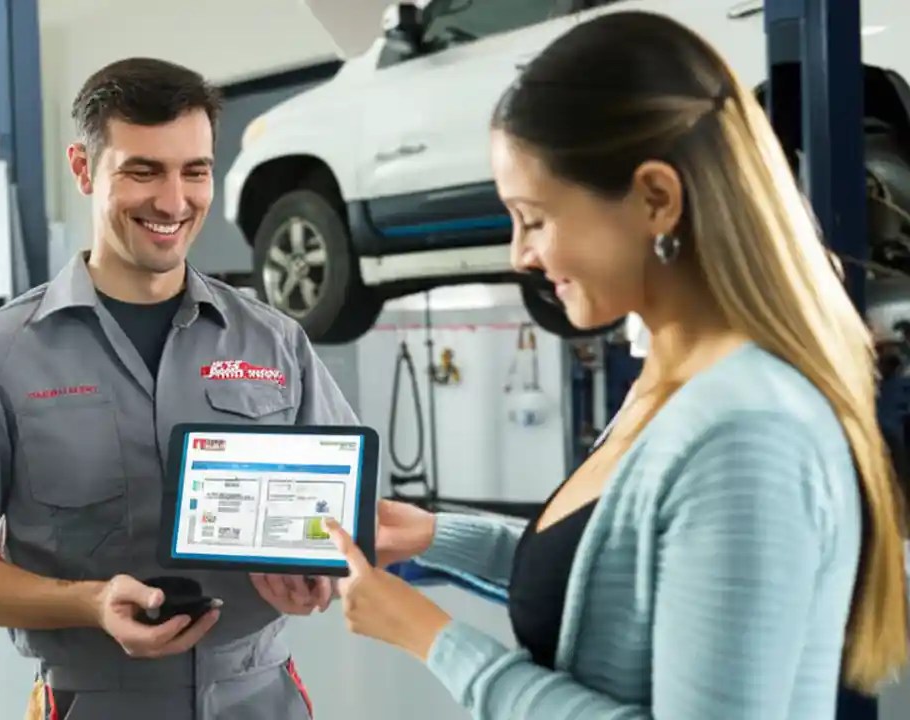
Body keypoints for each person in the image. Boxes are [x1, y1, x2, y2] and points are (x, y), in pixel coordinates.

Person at [323, 11, 908, 719]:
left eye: (534, 218)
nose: (519, 256)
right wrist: (438, 536)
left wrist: (433, 639)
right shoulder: (668, 380)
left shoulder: (747, 432)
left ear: (655, 198)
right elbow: (609, 585)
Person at [0, 57, 356, 720]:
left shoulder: (272, 341)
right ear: (83, 168)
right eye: (142, 171)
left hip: (262, 696)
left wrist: (321, 572)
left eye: (195, 171)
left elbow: (343, 525)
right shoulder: (3, 351)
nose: (173, 202)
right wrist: (87, 603)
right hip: (95, 700)